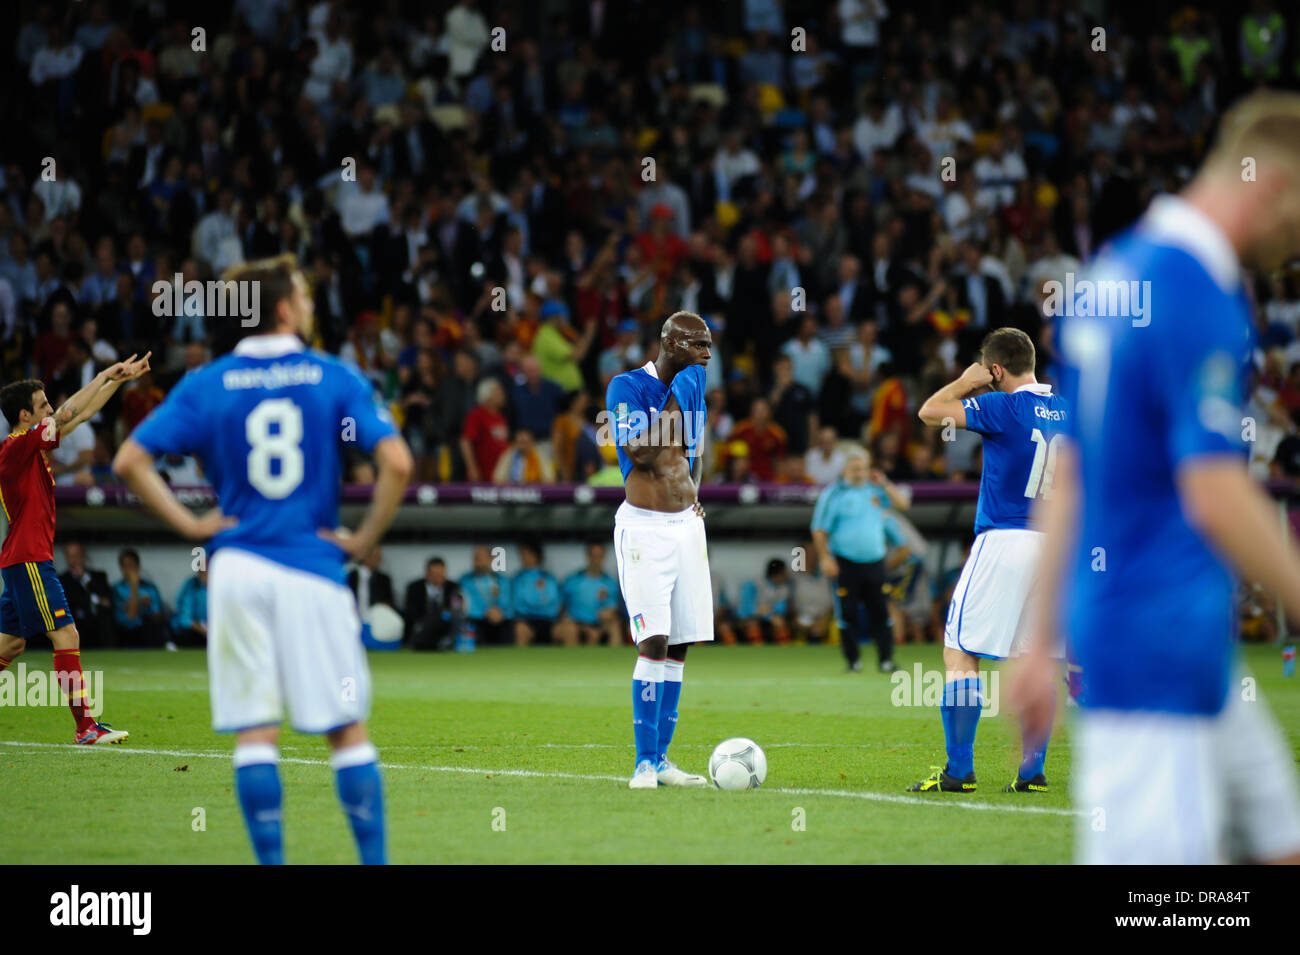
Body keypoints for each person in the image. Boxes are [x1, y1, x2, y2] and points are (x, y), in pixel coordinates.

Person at [1013, 91, 1300, 863]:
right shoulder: (1195, 288)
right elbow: (1214, 490)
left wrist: (1039, 643)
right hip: (1155, 653)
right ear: (1273, 187)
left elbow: (1070, 474)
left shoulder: (1114, 273)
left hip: (1177, 645)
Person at [113, 252, 414, 865]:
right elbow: (399, 463)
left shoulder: (205, 382)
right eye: (302, 293)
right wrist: (361, 540)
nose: (308, 302)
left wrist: (194, 525)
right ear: (282, 308)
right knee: (345, 730)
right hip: (311, 564)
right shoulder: (333, 375)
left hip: (237, 569)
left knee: (256, 731)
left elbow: (128, 463)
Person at [907, 326, 1068, 794]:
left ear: (996, 369)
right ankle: (1032, 771)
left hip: (1005, 541)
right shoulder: (1069, 410)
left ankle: (959, 771)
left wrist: (964, 383)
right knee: (1040, 659)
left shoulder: (1002, 405)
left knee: (960, 652)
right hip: (1054, 544)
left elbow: (929, 413)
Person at [0, 353, 150, 743]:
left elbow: (79, 416)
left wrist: (117, 382)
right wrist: (102, 374)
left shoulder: (32, 449)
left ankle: (87, 727)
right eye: (42, 405)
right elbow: (69, 413)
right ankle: (86, 728)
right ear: (24, 415)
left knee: (10, 644)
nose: (50, 409)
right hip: (30, 559)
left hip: (22, 559)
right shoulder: (14, 449)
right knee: (66, 635)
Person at [605, 310, 713, 788]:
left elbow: (696, 448)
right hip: (644, 529)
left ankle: (663, 760)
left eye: (709, 345)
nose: (707, 355)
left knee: (680, 647)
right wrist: (671, 398)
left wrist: (696, 495)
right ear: (671, 344)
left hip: (686, 527)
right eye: (698, 346)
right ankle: (643, 763)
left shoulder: (694, 384)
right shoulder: (625, 387)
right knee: (653, 642)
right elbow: (641, 453)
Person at [810, 447, 902, 672]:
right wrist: (824, 558)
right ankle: (853, 662)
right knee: (847, 613)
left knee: (880, 612)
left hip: (875, 561)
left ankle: (886, 660)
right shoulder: (833, 494)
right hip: (845, 562)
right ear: (845, 469)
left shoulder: (877, 491)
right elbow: (819, 529)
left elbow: (903, 504)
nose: (859, 472)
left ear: (869, 469)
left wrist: (885, 483)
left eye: (863, 468)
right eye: (855, 468)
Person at [557, 541, 623, 647]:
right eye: (593, 555)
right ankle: (572, 662)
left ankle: (614, 661)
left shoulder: (610, 583)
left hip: (600, 625)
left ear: (603, 557)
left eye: (599, 556)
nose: (596, 560)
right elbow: (560, 607)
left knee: (614, 626)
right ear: (587, 556)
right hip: (577, 625)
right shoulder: (573, 580)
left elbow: (613, 608)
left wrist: (610, 613)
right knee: (569, 629)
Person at [58, 542, 115, 648]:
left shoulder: (99, 576)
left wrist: (84, 578)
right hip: (77, 625)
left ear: (84, 556)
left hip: (99, 625)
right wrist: (97, 600)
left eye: (77, 555)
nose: (74, 559)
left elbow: (108, 601)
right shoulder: (61, 580)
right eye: (71, 556)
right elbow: (72, 600)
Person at [111, 548, 167, 648]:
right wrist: (134, 586)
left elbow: (158, 617)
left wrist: (149, 606)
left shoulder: (149, 588)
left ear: (138, 566)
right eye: (125, 566)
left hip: (148, 632)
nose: (128, 570)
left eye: (131, 565)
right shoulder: (117, 590)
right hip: (126, 633)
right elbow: (131, 617)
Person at [511, 540, 563, 646]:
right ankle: (520, 662)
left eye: (526, 554)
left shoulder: (550, 578)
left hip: (550, 621)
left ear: (535, 556)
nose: (523, 558)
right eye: (522, 554)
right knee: (519, 629)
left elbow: (556, 604)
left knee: (569, 629)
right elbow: (517, 605)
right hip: (527, 621)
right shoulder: (517, 579)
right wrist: (539, 604)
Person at [404, 557, 462, 650]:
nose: (437, 578)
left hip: (445, 624)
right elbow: (411, 612)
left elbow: (457, 608)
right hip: (422, 625)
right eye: (434, 574)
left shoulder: (454, 587)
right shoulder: (414, 588)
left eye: (440, 574)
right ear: (427, 574)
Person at [459, 544, 512, 644]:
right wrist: (485, 612)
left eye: (481, 558)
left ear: (490, 559)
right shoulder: (465, 581)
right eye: (476, 559)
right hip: (477, 619)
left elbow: (507, 600)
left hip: (499, 619)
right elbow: (465, 603)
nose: (477, 562)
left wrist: (499, 611)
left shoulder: (502, 580)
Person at [172, 568, 208, 647]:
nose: (208, 576)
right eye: (205, 573)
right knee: (186, 634)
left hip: (216, 629)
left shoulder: (223, 586)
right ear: (199, 574)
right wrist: (204, 630)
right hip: (195, 631)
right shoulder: (192, 586)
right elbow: (185, 619)